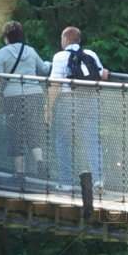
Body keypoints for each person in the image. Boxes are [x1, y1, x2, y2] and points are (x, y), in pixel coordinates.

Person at [47, 26, 107, 191]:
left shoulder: (60, 56)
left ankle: (66, 182)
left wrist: (49, 108)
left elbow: (55, 84)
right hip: (90, 100)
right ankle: (98, 179)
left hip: (68, 101)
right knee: (92, 140)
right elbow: (103, 75)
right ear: (79, 40)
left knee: (63, 141)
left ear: (65, 40)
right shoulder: (90, 54)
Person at [0, 21, 49, 183]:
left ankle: (20, 172)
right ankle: (40, 161)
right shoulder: (30, 51)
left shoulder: (2, 53)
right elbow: (43, 69)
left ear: (6, 37)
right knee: (33, 128)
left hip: (13, 96)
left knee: (15, 132)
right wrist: (49, 64)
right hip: (34, 94)